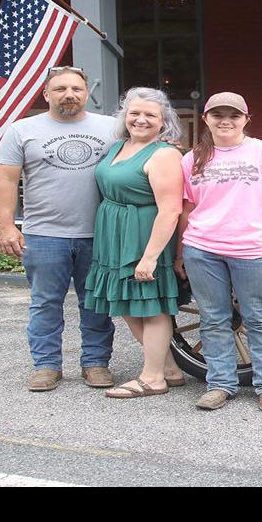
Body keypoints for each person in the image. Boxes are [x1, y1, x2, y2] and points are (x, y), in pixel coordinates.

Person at [0, 66, 118, 392]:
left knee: (96, 302)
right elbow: (6, 181)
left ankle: (96, 363)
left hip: (99, 233)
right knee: (45, 302)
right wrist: (7, 227)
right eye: (61, 88)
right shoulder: (21, 130)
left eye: (76, 88)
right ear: (46, 94)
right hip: (44, 233)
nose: (69, 94)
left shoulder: (111, 128)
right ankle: (46, 366)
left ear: (86, 92)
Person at [178, 92, 262, 412]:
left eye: (234, 115)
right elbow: (187, 208)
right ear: (206, 119)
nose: (226, 121)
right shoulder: (193, 158)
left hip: (253, 249)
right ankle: (220, 384)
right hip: (202, 249)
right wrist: (179, 252)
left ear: (246, 119)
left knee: (260, 317)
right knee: (214, 319)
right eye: (218, 115)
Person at [81, 87, 186, 399]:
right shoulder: (118, 147)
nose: (141, 120)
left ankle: (153, 378)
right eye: (134, 113)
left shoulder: (164, 154)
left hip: (143, 234)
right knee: (125, 303)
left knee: (150, 305)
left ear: (163, 120)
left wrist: (150, 256)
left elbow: (170, 210)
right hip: (113, 235)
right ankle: (169, 368)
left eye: (150, 115)